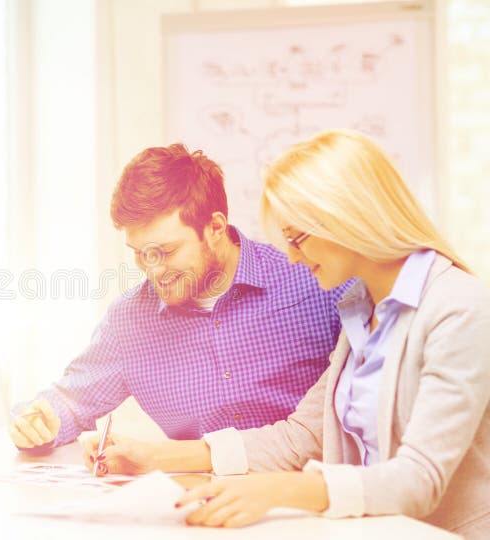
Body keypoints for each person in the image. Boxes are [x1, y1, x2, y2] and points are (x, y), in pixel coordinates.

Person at [92, 130, 490, 539]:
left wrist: (280, 490)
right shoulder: (360, 308)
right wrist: (154, 458)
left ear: (349, 220)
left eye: (298, 238)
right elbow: (300, 436)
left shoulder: (458, 307)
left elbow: (418, 480)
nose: (294, 257)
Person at [9, 143, 348, 462]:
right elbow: (69, 402)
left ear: (215, 227)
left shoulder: (314, 281)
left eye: (166, 252)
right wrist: (35, 423)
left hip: (310, 500)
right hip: (198, 504)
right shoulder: (131, 321)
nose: (154, 271)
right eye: (141, 255)